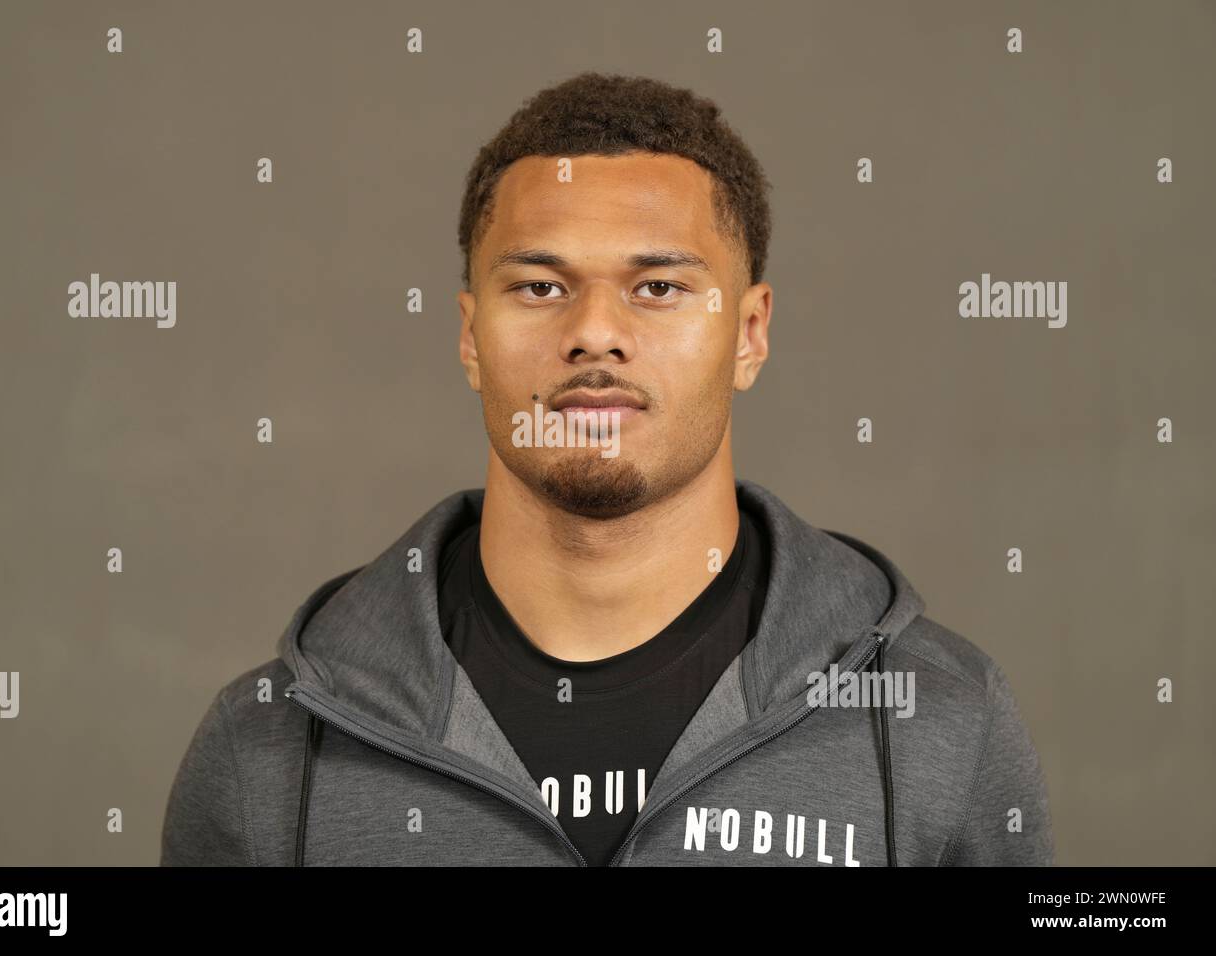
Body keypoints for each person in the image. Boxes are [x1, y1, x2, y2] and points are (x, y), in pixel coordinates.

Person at [161, 71, 1054, 866]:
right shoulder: (269, 743)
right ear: (471, 337)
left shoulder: (940, 716)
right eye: (540, 287)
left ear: (750, 334)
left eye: (658, 287)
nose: (595, 331)